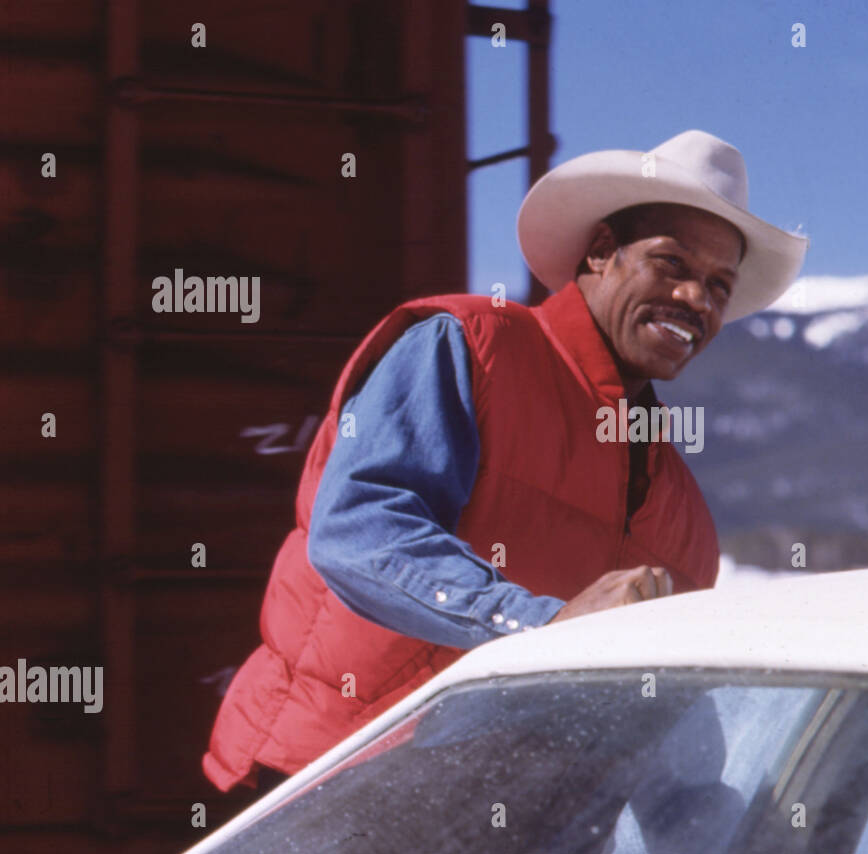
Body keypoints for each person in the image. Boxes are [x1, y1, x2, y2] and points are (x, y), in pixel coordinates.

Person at [202, 129, 808, 792]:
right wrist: (541, 627)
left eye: (719, 286)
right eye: (672, 265)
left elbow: (666, 728)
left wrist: (717, 822)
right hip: (318, 795)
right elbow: (356, 531)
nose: (698, 300)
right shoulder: (468, 347)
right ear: (602, 252)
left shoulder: (685, 517)